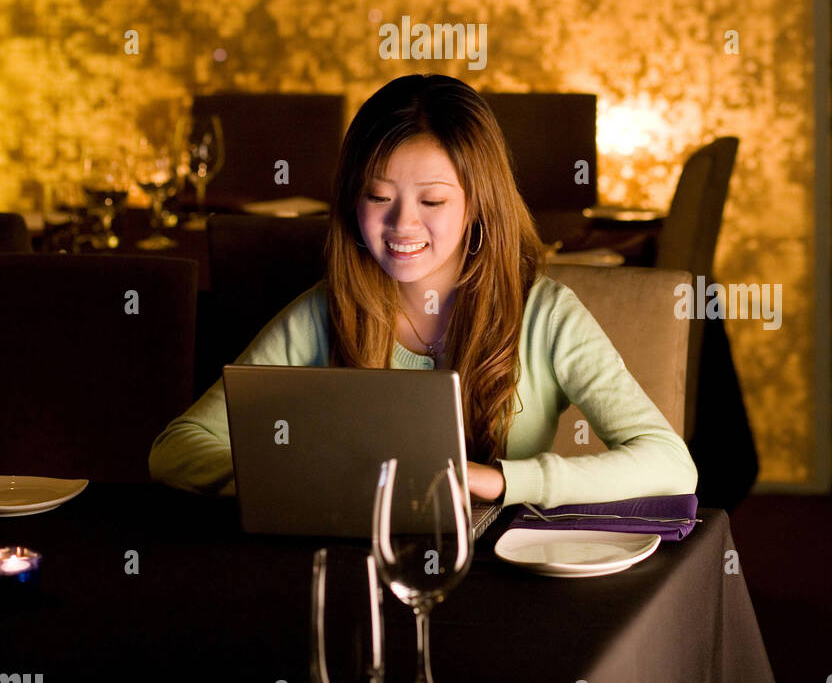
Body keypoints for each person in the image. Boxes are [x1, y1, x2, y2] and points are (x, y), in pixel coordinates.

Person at [149, 74, 698, 507]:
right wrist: (302, 483)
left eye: (432, 202)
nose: (402, 225)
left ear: (477, 204)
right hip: (356, 576)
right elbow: (176, 449)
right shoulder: (323, 312)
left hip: (503, 581)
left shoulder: (546, 314)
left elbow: (669, 463)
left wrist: (501, 482)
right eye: (378, 197)